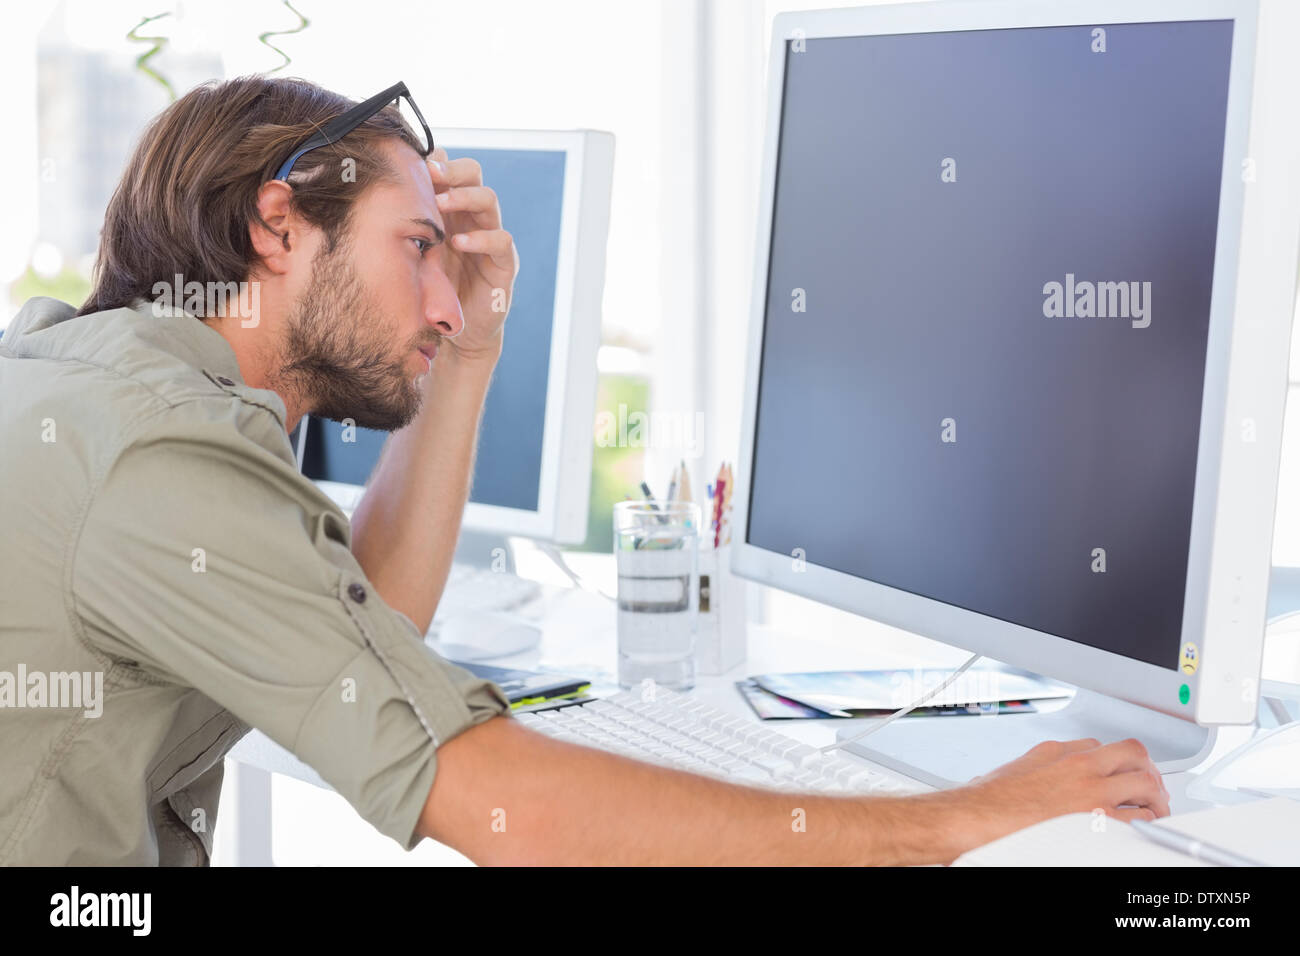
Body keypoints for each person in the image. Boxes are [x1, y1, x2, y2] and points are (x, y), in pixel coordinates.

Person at [0, 76, 1169, 866]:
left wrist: (467, 361)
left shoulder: (84, 375)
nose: (448, 299)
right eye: (418, 249)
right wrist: (955, 816)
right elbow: (498, 804)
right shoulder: (161, 450)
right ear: (277, 224)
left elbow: (373, 634)